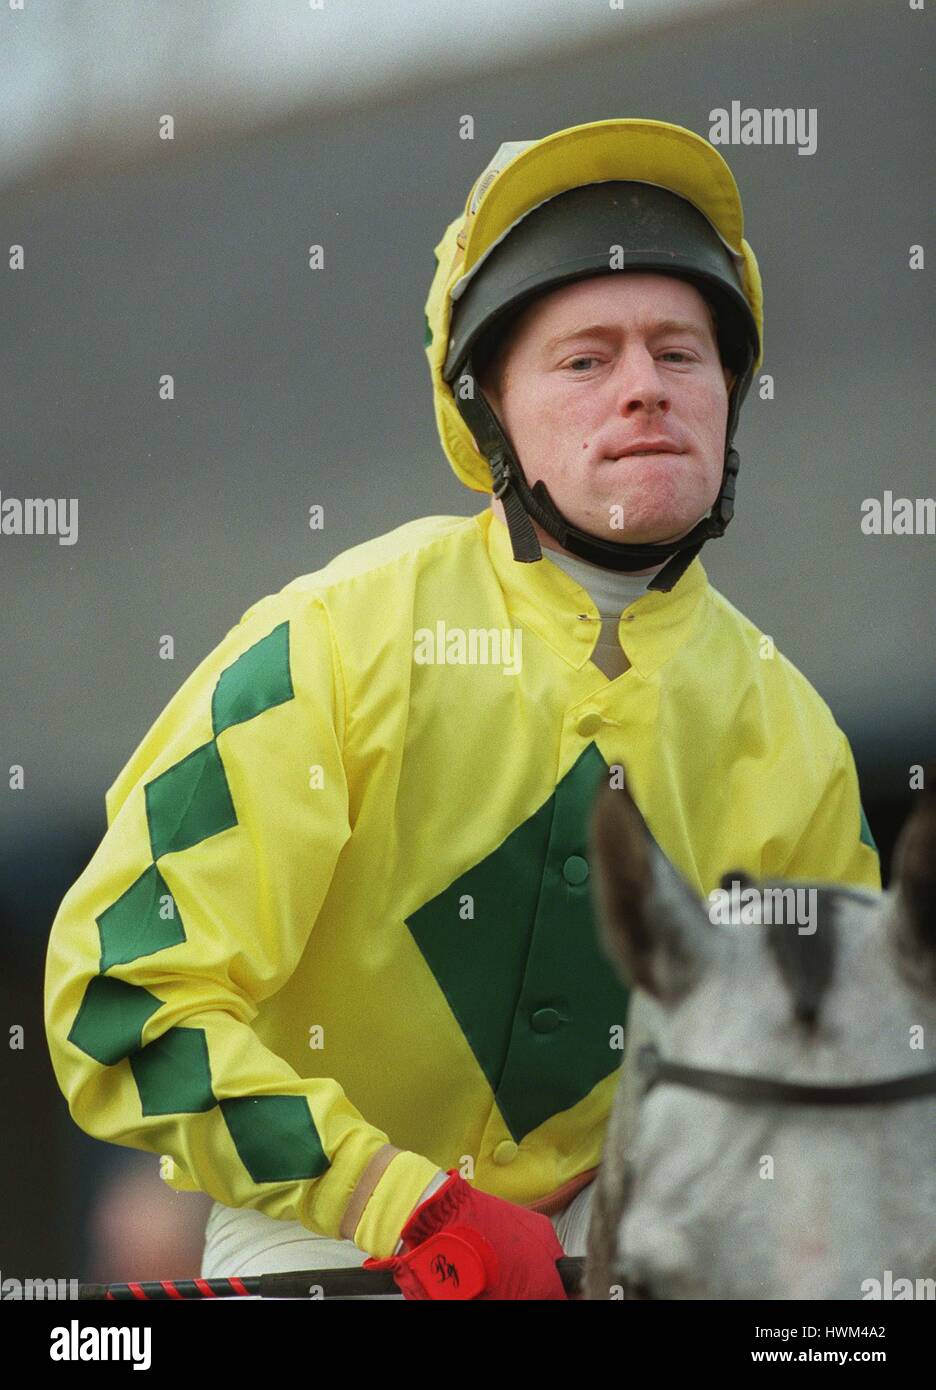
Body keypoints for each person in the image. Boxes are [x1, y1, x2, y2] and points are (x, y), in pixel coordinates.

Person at [44, 118, 881, 1301]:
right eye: (586, 359)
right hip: (327, 1238)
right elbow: (117, 993)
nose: (643, 385)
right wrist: (402, 1198)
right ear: (490, 407)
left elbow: (834, 1088)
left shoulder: (795, 741)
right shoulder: (328, 643)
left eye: (681, 354)